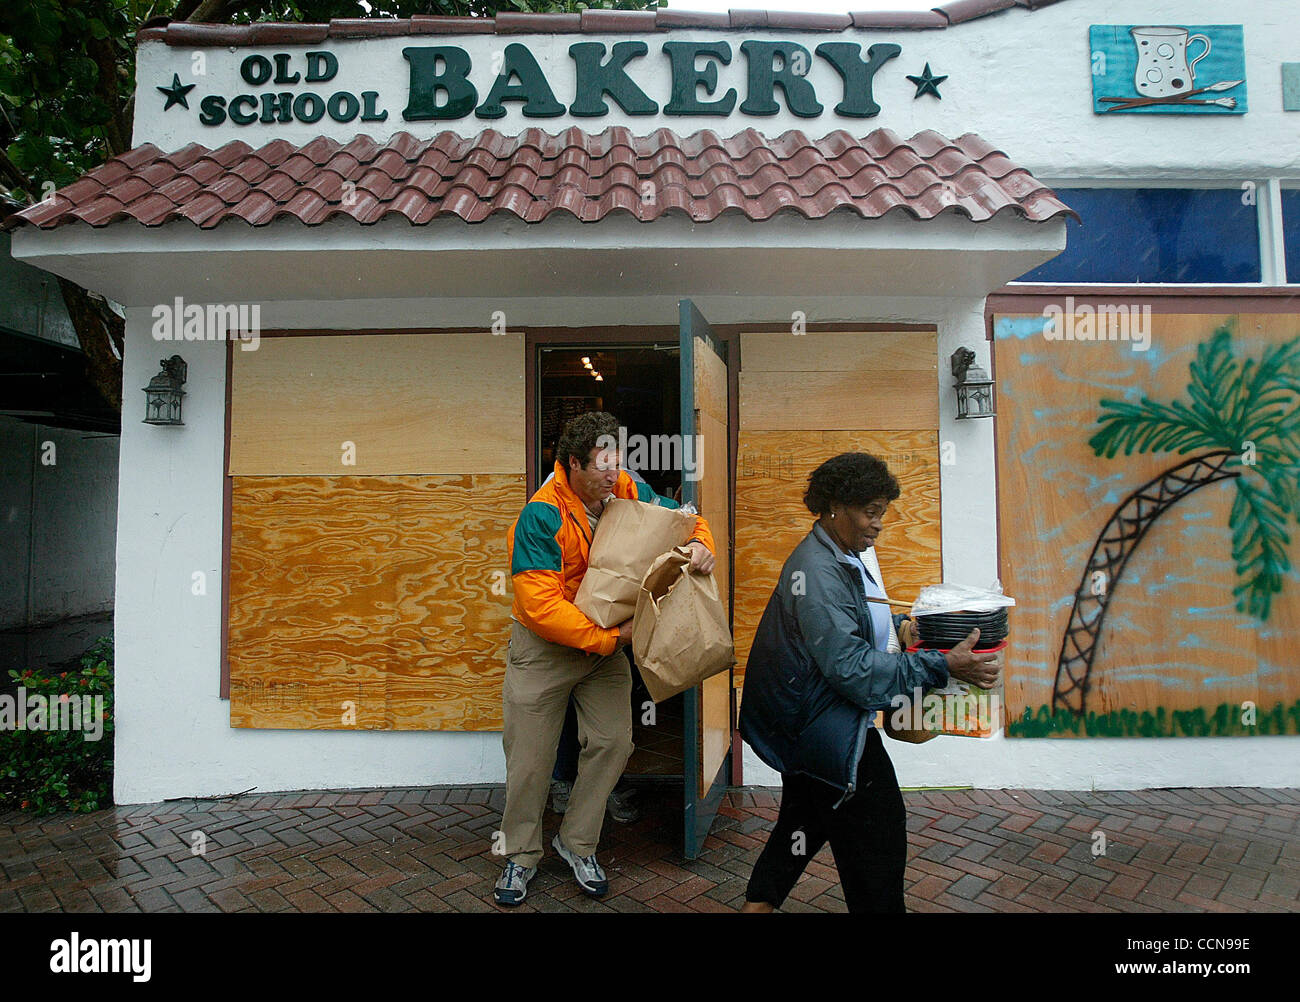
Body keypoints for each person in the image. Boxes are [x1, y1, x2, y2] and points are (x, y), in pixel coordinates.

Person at [737, 452, 1000, 913]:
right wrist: (943, 665)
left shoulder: (836, 555)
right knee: (877, 832)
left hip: (805, 723)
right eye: (870, 511)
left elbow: (846, 629)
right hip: (824, 726)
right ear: (836, 506)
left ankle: (757, 906)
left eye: (883, 512)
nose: (879, 524)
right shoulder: (817, 572)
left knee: (803, 823)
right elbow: (852, 670)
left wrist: (899, 626)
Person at [494, 411, 715, 906]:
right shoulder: (541, 514)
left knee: (614, 743)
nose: (616, 472)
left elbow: (681, 519)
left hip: (607, 643)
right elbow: (541, 607)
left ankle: (576, 843)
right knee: (530, 762)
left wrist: (701, 543)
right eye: (603, 462)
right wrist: (614, 640)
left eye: (620, 459)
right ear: (574, 463)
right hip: (548, 650)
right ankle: (519, 856)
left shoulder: (625, 491)